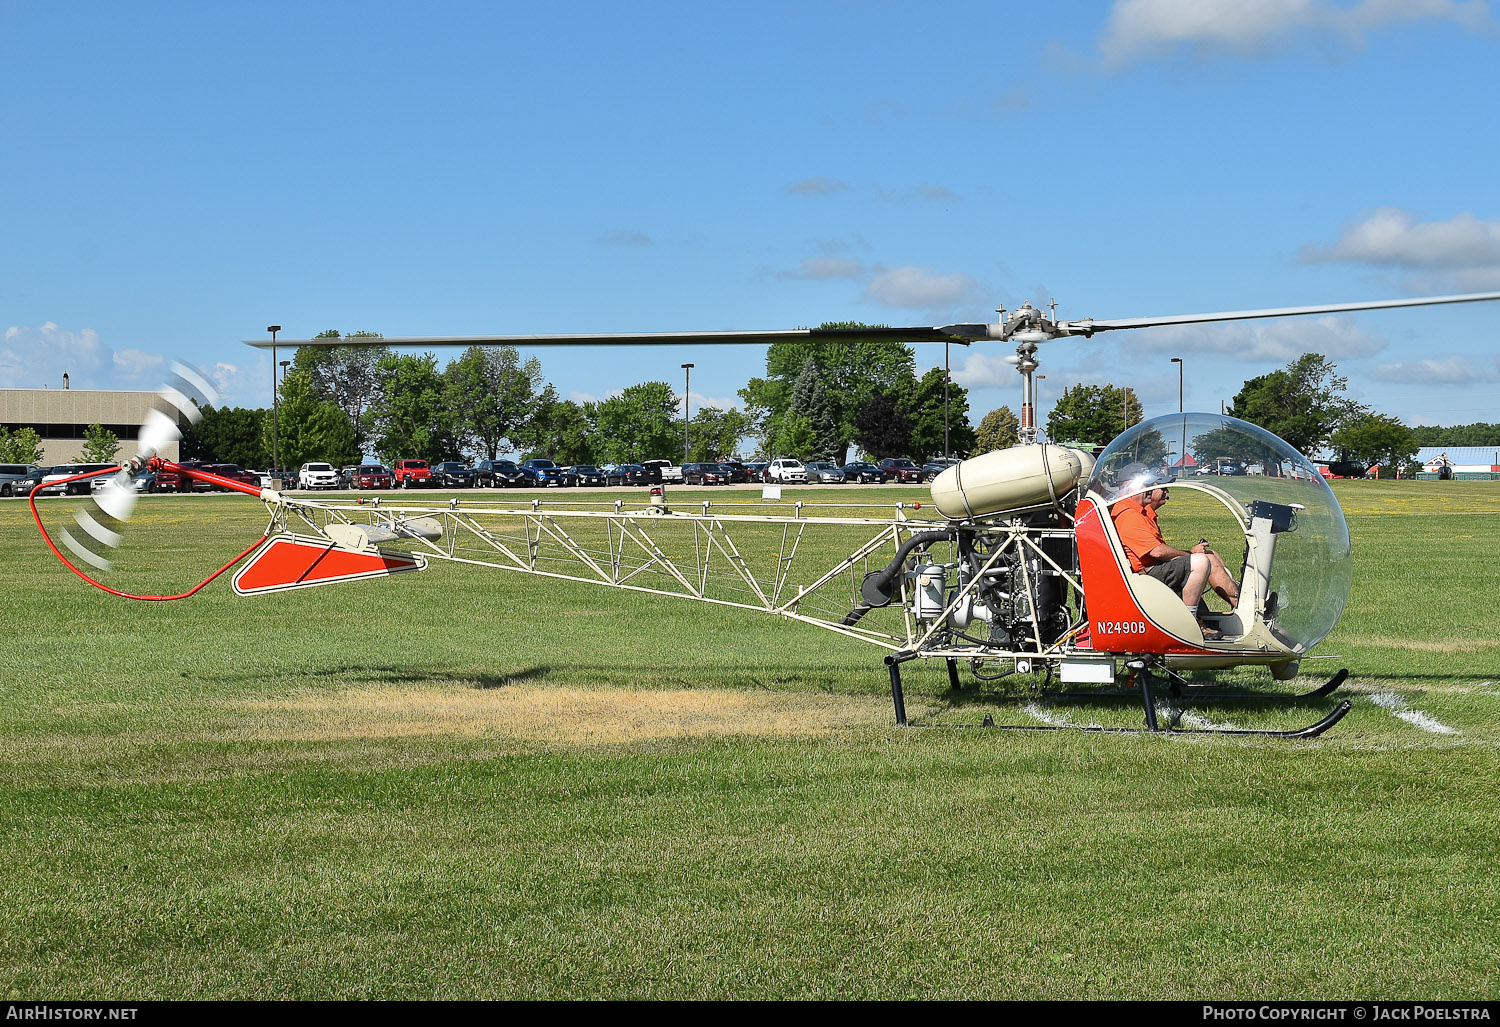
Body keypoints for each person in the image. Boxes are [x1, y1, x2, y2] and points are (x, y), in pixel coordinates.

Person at [1110, 465, 1240, 638]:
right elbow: (1156, 552)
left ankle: (1236, 602)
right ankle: (1189, 624)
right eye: (1148, 486)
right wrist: (1191, 556)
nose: (1152, 490)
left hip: (1153, 568)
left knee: (1207, 556)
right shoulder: (1129, 514)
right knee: (1201, 561)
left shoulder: (1137, 511)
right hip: (1147, 574)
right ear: (1130, 487)